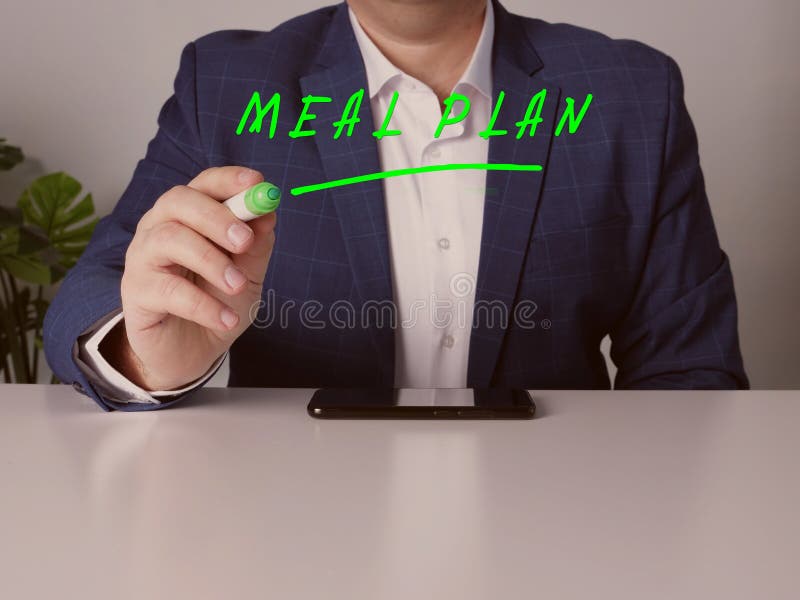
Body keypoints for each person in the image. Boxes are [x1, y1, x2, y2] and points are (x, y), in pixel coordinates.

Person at [43, 0, 748, 411]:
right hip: (294, 534)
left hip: (556, 537)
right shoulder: (227, 83)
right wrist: (147, 354)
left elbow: (691, 371)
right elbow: (93, 290)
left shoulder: (632, 95)